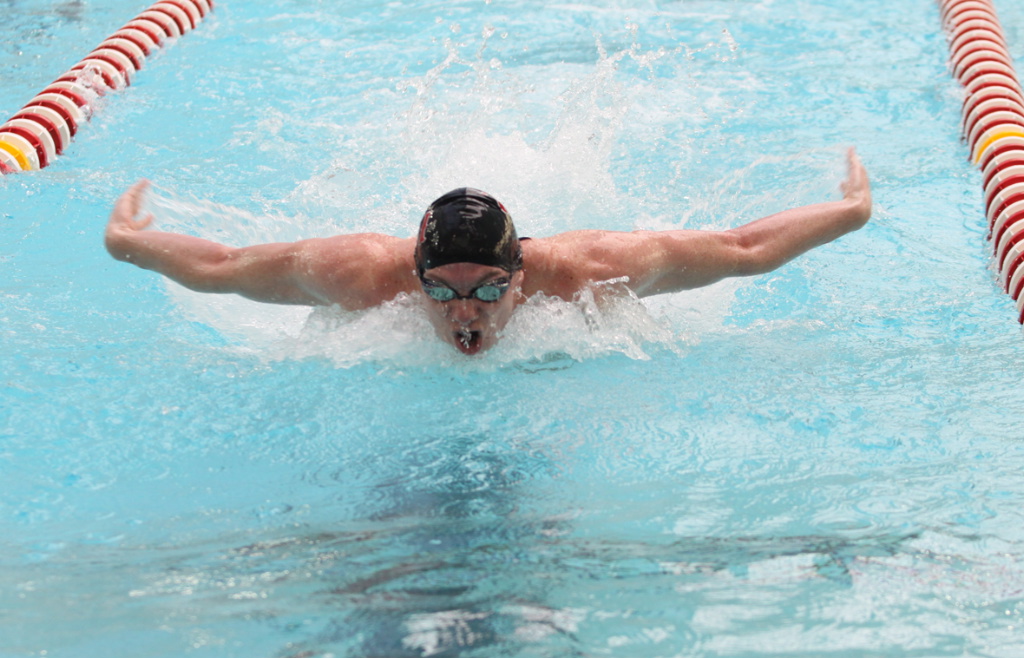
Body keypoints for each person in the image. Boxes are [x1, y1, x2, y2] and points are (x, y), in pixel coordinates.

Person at [105, 148, 872, 355]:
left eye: (485, 291)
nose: (464, 315)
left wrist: (850, 210)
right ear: (413, 275)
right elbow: (219, 268)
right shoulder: (361, 276)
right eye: (440, 293)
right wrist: (128, 241)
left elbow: (742, 248)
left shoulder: (584, 272)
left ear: (521, 274)